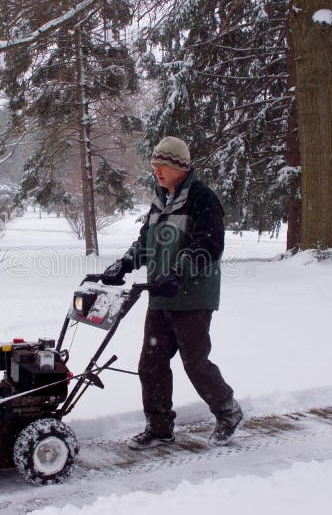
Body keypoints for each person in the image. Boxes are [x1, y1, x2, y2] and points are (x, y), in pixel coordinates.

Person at [102, 136, 244, 449]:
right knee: (150, 364)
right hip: (160, 294)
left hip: (192, 296)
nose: (157, 171)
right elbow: (146, 243)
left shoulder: (202, 198)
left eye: (163, 165)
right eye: (154, 165)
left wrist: (179, 271)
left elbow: (209, 245)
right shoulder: (160, 200)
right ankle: (159, 428)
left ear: (181, 166)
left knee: (195, 363)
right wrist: (124, 264)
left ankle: (228, 411)